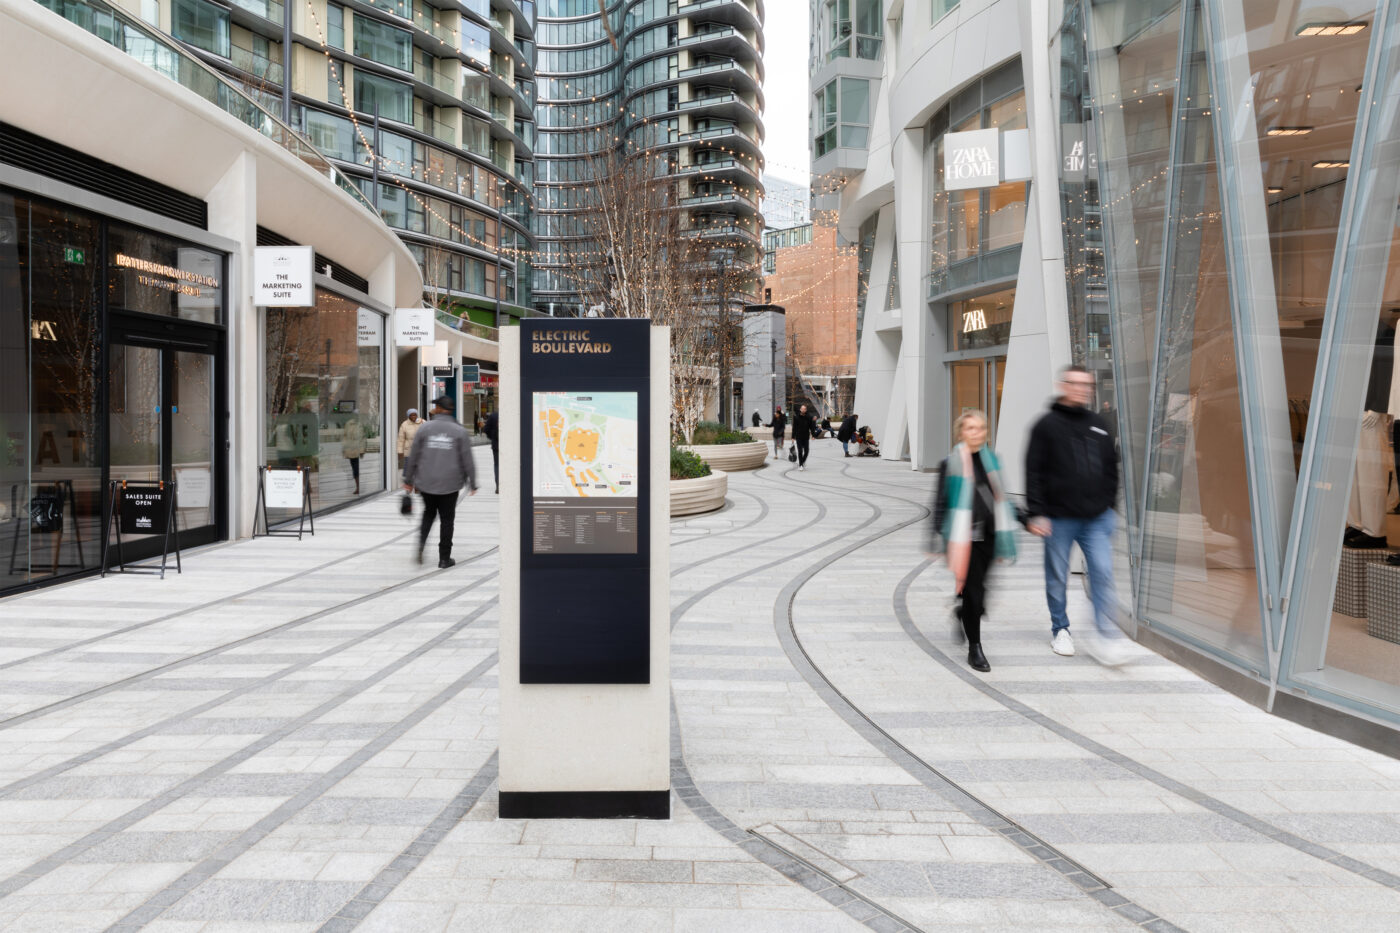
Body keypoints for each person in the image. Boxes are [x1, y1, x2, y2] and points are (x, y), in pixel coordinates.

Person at [1025, 365, 1131, 665]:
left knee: (1103, 572)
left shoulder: (1099, 424)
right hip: (1057, 519)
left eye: (1087, 385)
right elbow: (1033, 471)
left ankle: (1105, 634)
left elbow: (1112, 468)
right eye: (1076, 383)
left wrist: (1110, 507)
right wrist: (1037, 513)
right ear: (1063, 385)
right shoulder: (1045, 425)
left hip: (1097, 518)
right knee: (1057, 577)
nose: (1082, 389)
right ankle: (1061, 629)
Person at [930, 410, 1018, 672]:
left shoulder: (993, 461)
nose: (976, 432)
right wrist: (936, 537)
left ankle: (962, 612)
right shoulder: (951, 463)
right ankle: (975, 649)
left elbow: (1002, 498)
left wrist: (1024, 519)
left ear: (986, 432)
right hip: (963, 538)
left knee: (980, 596)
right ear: (960, 433)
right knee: (974, 593)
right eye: (970, 428)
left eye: (980, 428)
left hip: (991, 536)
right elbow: (940, 502)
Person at [403, 395, 478, 568]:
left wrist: (408, 479)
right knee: (447, 520)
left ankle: (420, 547)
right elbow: (467, 459)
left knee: (428, 514)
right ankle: (444, 558)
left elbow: (414, 455)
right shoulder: (459, 431)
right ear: (450, 410)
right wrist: (472, 482)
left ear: (438, 409)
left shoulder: (424, 428)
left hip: (426, 482)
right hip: (450, 485)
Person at [341, 415, 365, 495]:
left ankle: (358, 487)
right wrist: (344, 448)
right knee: (353, 468)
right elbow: (345, 437)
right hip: (350, 449)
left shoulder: (360, 424)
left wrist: (362, 450)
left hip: (356, 449)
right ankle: (356, 486)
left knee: (356, 469)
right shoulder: (348, 424)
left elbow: (363, 438)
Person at [791, 403, 818, 471]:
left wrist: (813, 435)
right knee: (800, 451)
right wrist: (793, 437)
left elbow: (812, 427)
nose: (803, 410)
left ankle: (802, 462)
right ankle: (800, 465)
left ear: (806, 410)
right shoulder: (796, 417)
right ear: (800, 409)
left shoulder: (808, 417)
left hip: (806, 437)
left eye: (804, 409)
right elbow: (794, 428)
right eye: (802, 409)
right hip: (798, 437)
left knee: (806, 451)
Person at [483, 410, 499, 494]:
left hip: (496, 445)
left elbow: (486, 429)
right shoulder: (513, 414)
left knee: (497, 465)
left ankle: (498, 485)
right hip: (511, 445)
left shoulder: (493, 416)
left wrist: (492, 437)